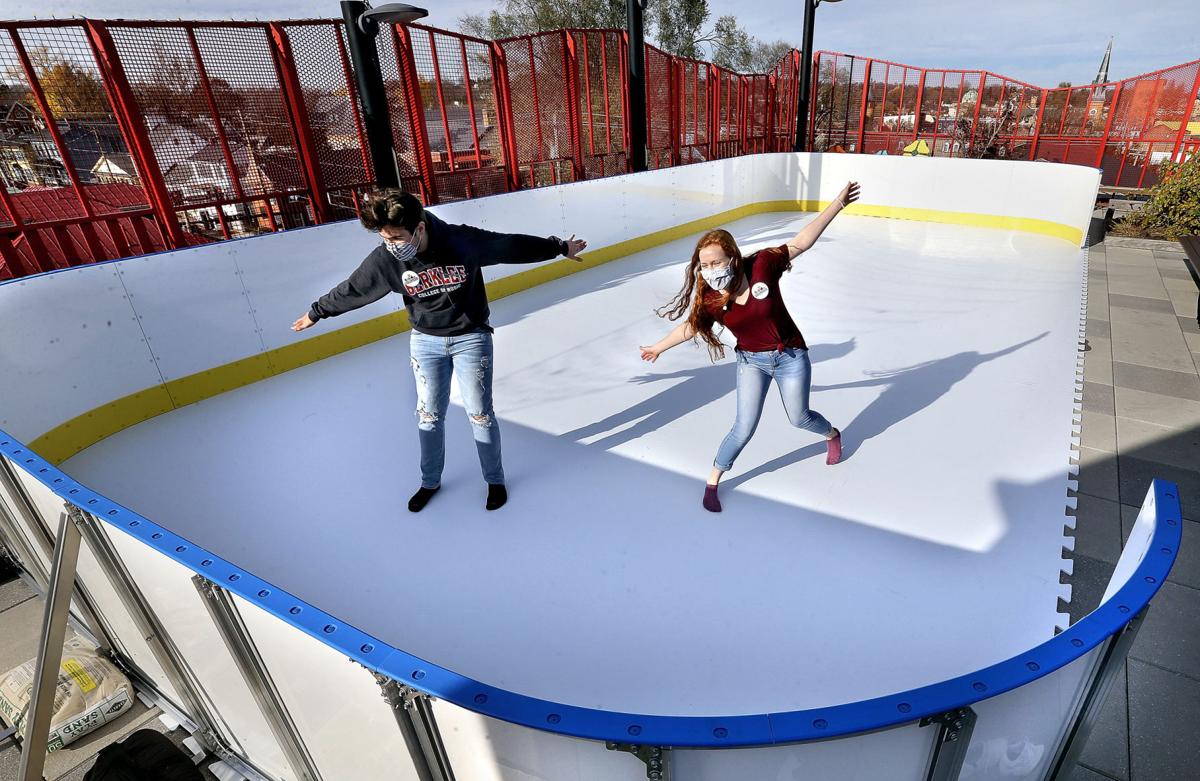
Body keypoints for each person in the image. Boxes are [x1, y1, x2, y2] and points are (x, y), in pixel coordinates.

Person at [292, 189, 587, 512]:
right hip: (425, 341)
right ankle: (429, 481)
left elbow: (510, 245)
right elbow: (354, 289)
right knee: (429, 415)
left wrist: (559, 247)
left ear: (419, 227)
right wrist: (316, 312)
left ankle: (494, 480)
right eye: (385, 238)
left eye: (397, 237)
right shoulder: (386, 259)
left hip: (471, 337)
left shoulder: (460, 242)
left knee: (480, 415)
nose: (392, 245)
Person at [639, 182, 861, 512]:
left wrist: (837, 205)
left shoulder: (762, 265)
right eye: (705, 265)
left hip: (790, 356)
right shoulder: (711, 299)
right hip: (751, 362)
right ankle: (713, 481)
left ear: (732, 257)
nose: (711, 270)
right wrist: (659, 347)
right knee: (743, 427)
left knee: (799, 418)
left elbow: (800, 242)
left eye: (717, 262)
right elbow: (690, 327)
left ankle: (831, 434)